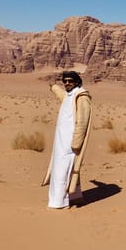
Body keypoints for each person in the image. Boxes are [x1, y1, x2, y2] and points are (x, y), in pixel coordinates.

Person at [42, 71, 92, 209]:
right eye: (65, 81)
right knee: (67, 169)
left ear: (77, 81)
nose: (67, 83)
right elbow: (63, 95)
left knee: (61, 171)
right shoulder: (70, 95)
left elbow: (83, 121)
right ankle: (75, 198)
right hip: (61, 141)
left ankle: (59, 203)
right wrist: (53, 86)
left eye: (70, 81)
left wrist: (76, 143)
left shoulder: (81, 97)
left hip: (69, 143)